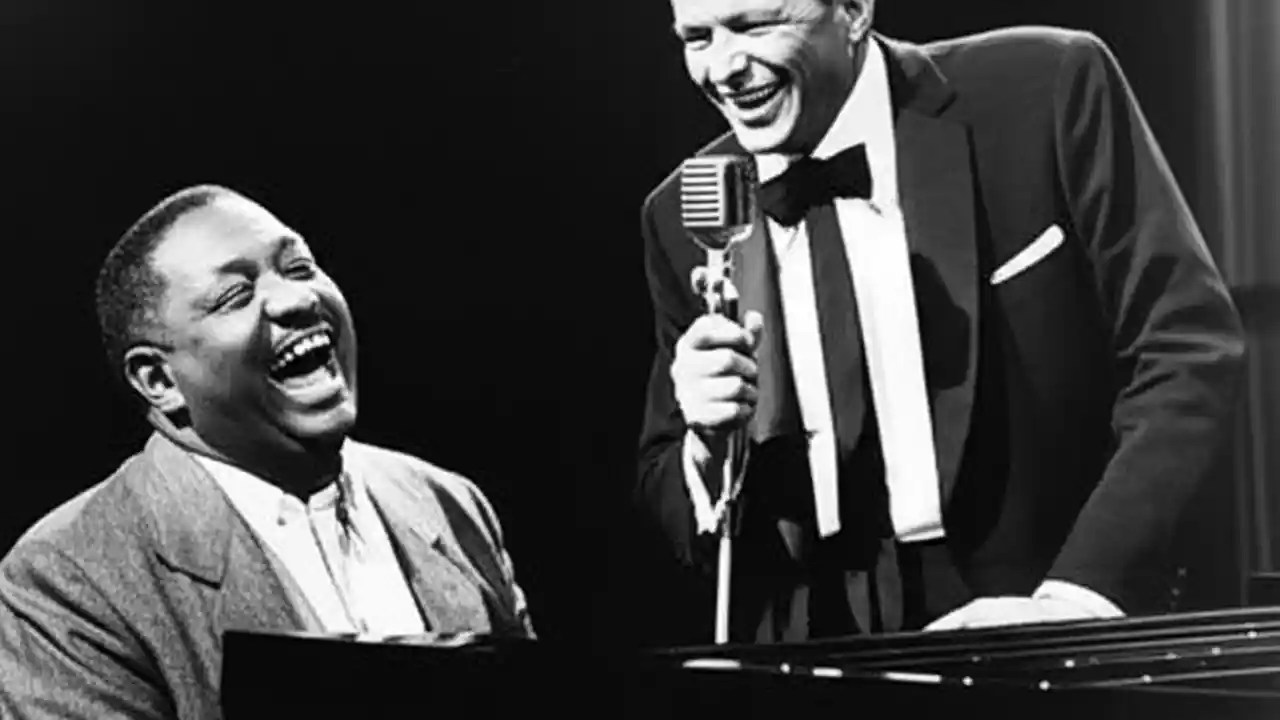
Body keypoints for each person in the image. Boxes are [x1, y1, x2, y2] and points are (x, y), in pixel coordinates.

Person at [635, 0, 1246, 643]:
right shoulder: (682, 213)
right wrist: (707, 448)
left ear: (853, 10)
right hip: (812, 646)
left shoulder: (1044, 85)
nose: (724, 67)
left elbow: (1186, 350)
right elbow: (665, 490)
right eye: (696, 37)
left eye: (756, 26)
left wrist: (1077, 596)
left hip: (1042, 617)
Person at [0, 185, 534, 718]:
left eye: (299, 267)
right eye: (236, 296)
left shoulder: (447, 502)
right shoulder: (68, 576)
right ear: (159, 379)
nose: (297, 298)